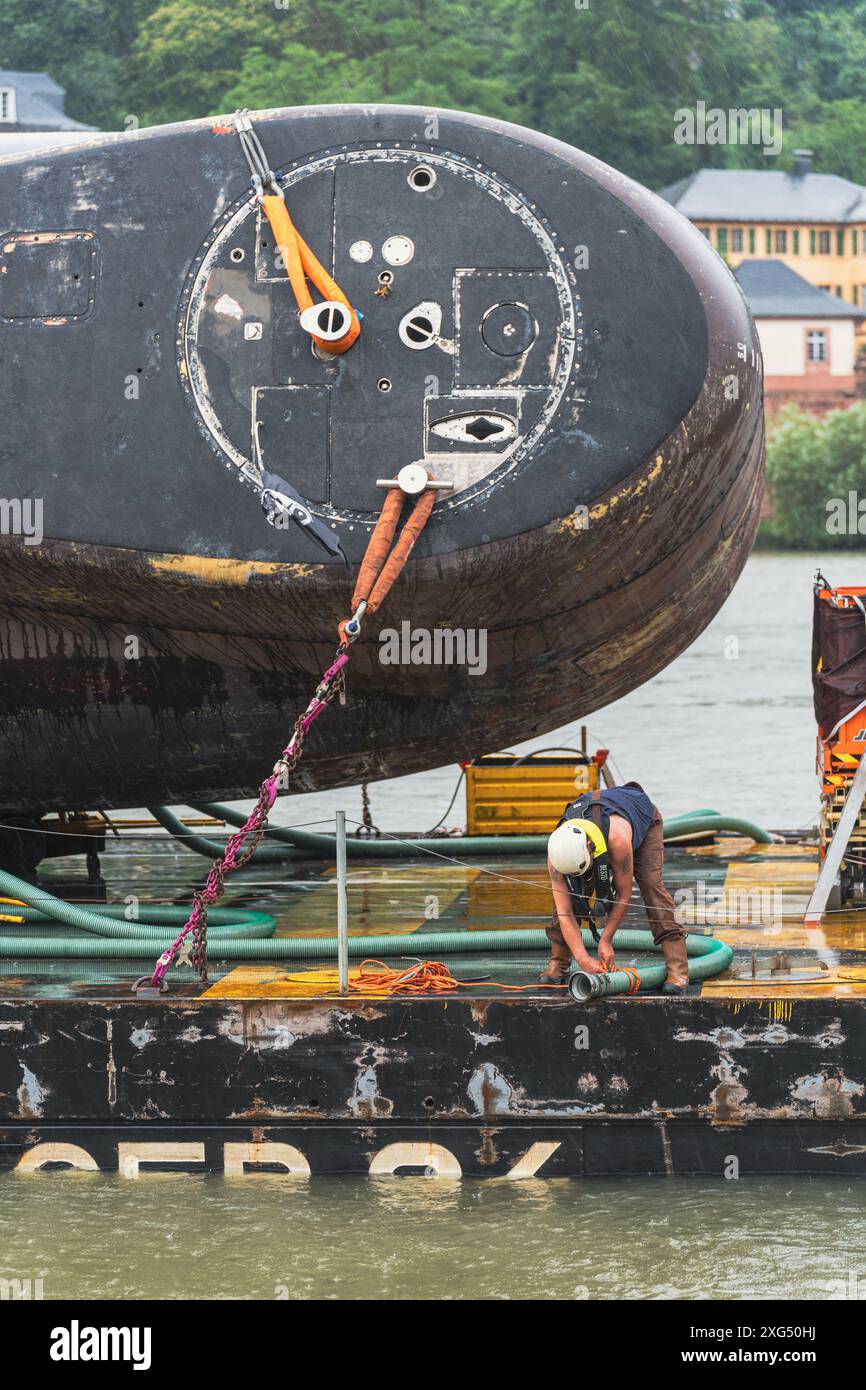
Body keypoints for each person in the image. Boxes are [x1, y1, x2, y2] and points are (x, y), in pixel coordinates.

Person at [542, 782, 689, 994]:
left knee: (651, 886)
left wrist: (606, 940)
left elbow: (623, 894)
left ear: (591, 852)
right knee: (572, 894)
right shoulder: (556, 854)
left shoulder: (617, 841)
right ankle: (559, 963)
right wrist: (582, 959)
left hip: (641, 820)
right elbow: (565, 911)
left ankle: (678, 970)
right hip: (599, 820)